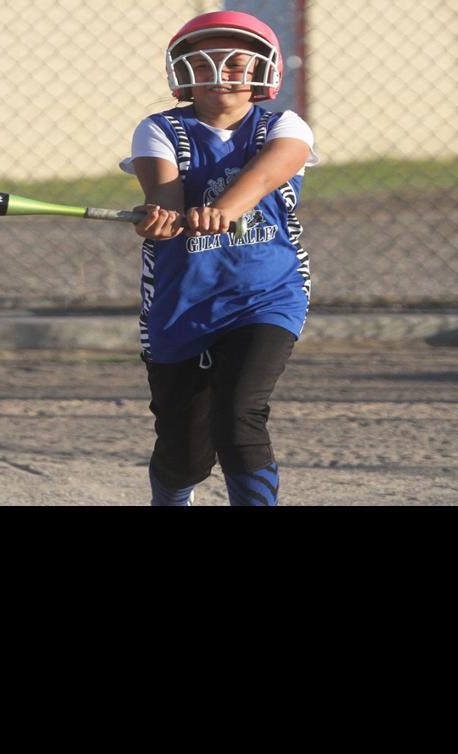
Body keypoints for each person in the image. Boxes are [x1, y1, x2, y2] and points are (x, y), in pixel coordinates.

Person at [125, 11, 319, 507]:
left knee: (239, 417)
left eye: (235, 64)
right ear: (182, 74)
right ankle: (171, 496)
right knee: (184, 453)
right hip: (182, 302)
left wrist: (223, 209)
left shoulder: (284, 125)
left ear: (263, 73)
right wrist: (161, 219)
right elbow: (164, 198)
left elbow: (263, 176)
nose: (219, 75)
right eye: (204, 63)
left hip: (266, 295)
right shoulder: (159, 129)